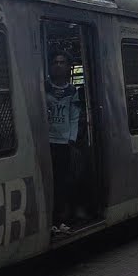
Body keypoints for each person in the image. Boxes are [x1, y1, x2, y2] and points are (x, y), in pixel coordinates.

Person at [46, 51, 82, 232]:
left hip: (64, 142)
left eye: (62, 62)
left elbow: (74, 116)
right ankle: (51, 220)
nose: (58, 65)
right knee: (50, 182)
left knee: (62, 182)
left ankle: (60, 219)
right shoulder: (45, 87)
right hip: (48, 140)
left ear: (68, 67)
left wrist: (71, 138)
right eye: (55, 62)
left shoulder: (72, 91)